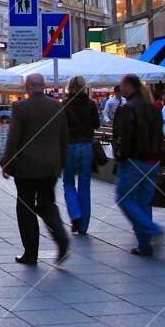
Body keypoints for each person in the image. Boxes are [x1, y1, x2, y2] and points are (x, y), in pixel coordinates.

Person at [0, 72, 71, 266]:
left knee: (25, 208)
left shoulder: (21, 107)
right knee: (47, 203)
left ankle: (30, 253)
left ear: (28, 87)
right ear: (44, 85)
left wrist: (6, 162)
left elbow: (14, 139)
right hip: (50, 167)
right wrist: (60, 163)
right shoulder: (57, 106)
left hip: (26, 168)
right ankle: (61, 239)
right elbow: (65, 138)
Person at [112, 74, 165, 258]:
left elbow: (123, 137)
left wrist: (120, 155)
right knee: (144, 202)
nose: (120, 89)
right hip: (153, 162)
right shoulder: (153, 108)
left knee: (124, 198)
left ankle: (152, 230)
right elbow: (160, 137)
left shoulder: (127, 108)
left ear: (129, 86)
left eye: (122, 86)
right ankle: (145, 246)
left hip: (134, 160)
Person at [61, 75, 99, 237]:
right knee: (85, 184)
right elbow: (97, 124)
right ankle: (83, 225)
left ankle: (75, 214)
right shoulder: (91, 104)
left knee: (68, 182)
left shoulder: (64, 105)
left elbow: (60, 127)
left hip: (70, 146)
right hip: (87, 146)